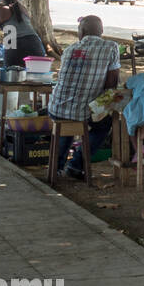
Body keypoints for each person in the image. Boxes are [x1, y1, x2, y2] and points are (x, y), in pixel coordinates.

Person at [48, 16, 119, 179]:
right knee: (104, 124)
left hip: (56, 108)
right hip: (84, 113)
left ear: (82, 32)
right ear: (101, 31)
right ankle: (76, 164)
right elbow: (111, 83)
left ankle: (57, 166)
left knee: (67, 119)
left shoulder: (70, 49)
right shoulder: (110, 47)